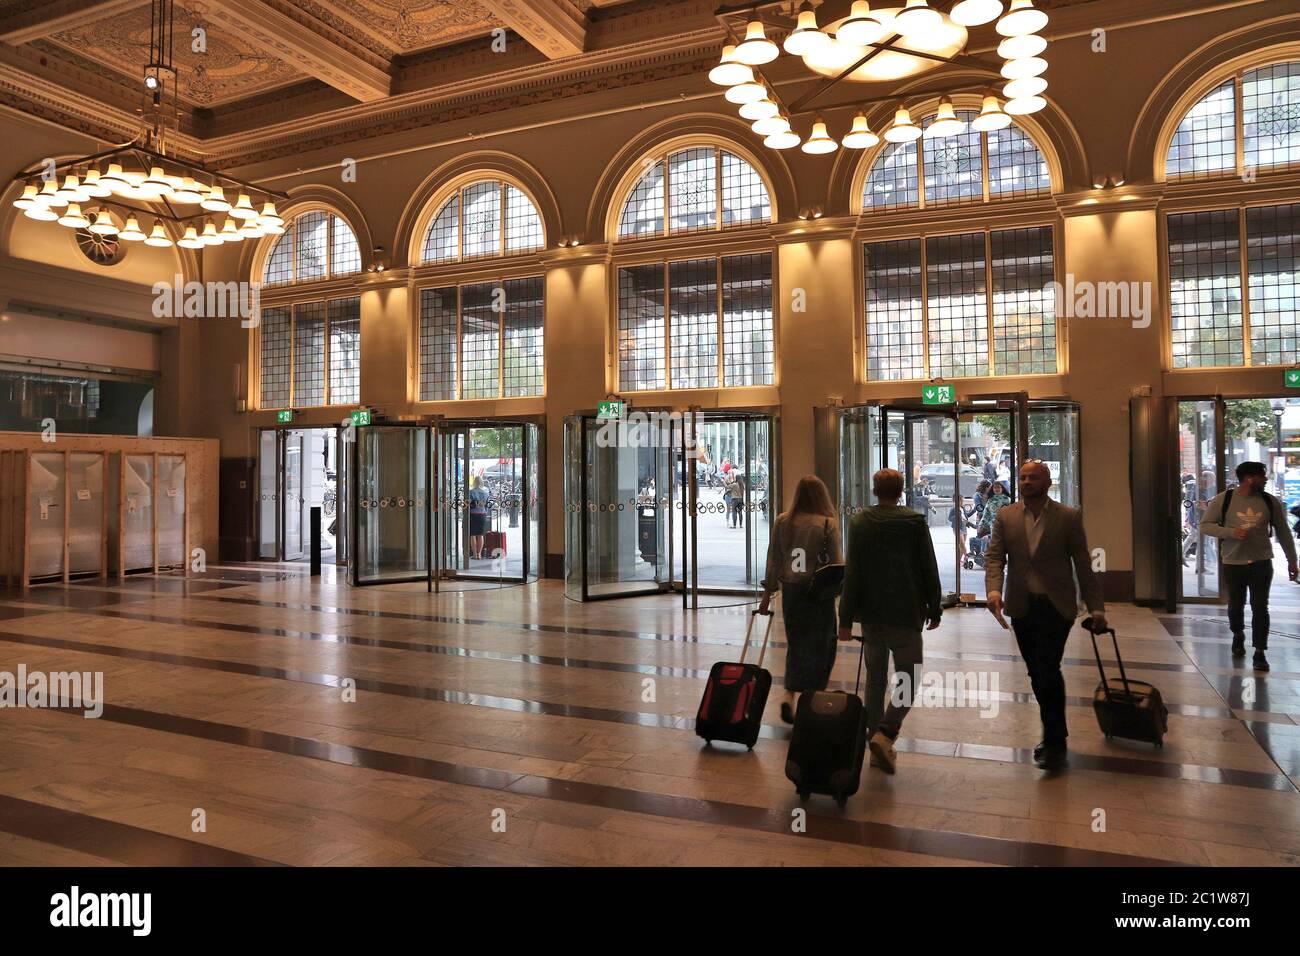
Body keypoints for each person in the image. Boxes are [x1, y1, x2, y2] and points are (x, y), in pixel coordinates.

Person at [986, 460, 1105, 771]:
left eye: (1033, 478)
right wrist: (993, 591)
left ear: (1047, 482)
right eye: (1022, 477)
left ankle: (1054, 741)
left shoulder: (1068, 517)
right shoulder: (1006, 515)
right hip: (1021, 604)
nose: (1026, 482)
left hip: (1057, 605)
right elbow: (995, 556)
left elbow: (1082, 563)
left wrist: (1097, 607)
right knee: (1035, 672)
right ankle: (1056, 730)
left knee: (1048, 668)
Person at [838, 468, 942, 775]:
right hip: (907, 614)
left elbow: (852, 573)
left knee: (875, 679)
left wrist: (845, 618)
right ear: (901, 491)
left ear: (874, 491)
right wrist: (934, 607)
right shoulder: (914, 523)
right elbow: (928, 566)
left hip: (872, 616)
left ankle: (874, 739)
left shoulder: (860, 523)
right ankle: (886, 733)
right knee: (909, 678)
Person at [1198, 461, 1298, 671]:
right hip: (1233, 562)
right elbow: (1206, 525)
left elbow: (1283, 532)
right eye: (1263, 476)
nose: (1266, 479)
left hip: (1262, 562)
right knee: (1236, 604)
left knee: (1260, 606)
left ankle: (1260, 652)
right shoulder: (1223, 500)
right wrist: (1232, 533)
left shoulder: (1270, 502)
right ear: (1250, 478)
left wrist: (1292, 560)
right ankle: (1238, 633)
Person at [759, 476, 842, 724]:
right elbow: (837, 563)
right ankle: (813, 696)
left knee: (797, 644)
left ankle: (789, 695)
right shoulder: (828, 523)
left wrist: (767, 595)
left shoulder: (783, 521)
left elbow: (773, 559)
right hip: (818, 593)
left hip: (791, 592)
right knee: (824, 644)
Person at [468, 474, 489, 560]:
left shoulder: (471, 492)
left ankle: (474, 554)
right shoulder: (486, 491)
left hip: (473, 514)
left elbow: (468, 503)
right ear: (482, 482)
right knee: (480, 534)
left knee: (473, 534)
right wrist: (485, 511)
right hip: (482, 514)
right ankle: (479, 554)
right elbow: (487, 504)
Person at [949, 495, 971, 564]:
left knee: (961, 545)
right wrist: (957, 516)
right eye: (960, 500)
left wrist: (973, 511)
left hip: (964, 526)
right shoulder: (953, 509)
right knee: (962, 544)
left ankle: (958, 560)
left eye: (962, 500)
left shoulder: (962, 508)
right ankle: (966, 556)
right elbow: (949, 518)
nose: (962, 502)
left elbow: (966, 516)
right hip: (957, 527)